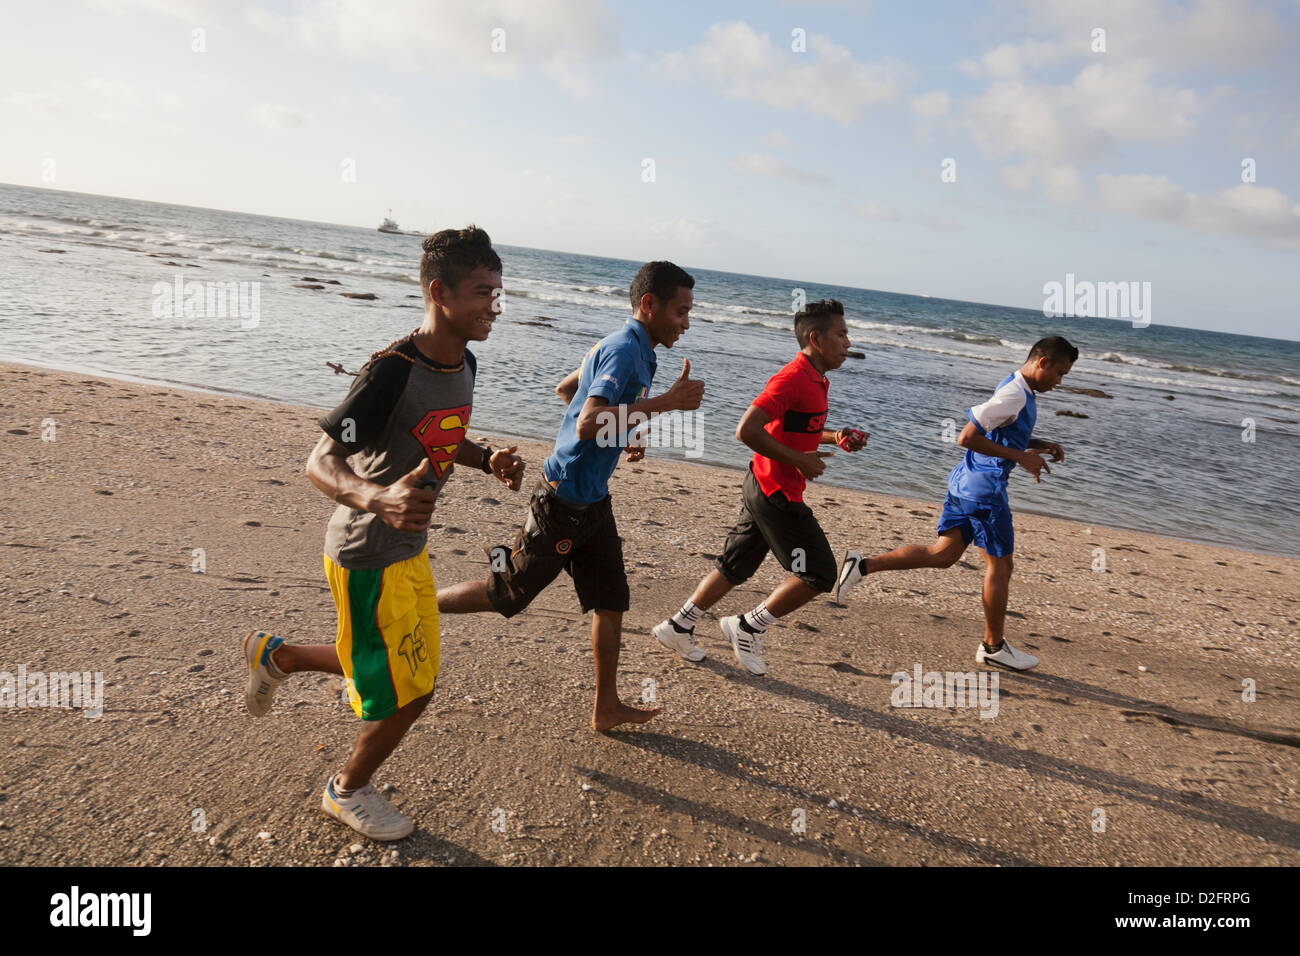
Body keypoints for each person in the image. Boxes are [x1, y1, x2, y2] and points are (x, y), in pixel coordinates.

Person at [241, 226, 525, 841]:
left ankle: (279, 656)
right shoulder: (390, 372)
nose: (492, 307)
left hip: (408, 551)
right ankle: (345, 791)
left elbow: (437, 432)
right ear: (438, 292)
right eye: (481, 293)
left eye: (498, 293)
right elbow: (319, 462)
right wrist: (380, 499)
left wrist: (485, 459)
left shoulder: (465, 362)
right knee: (407, 693)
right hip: (366, 554)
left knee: (389, 667)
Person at [436, 261, 704, 731]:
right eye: (681, 311)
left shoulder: (630, 346)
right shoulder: (624, 350)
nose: (686, 323)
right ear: (649, 304)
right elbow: (586, 422)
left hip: (593, 501)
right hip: (563, 504)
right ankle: (416, 605)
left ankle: (606, 707)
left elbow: (569, 392)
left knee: (611, 599)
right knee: (509, 594)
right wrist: (662, 405)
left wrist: (624, 430)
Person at [835, 335, 1079, 671]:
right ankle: (993, 646)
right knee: (1000, 567)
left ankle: (861, 565)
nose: (1060, 381)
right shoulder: (1014, 394)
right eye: (1060, 372)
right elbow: (967, 436)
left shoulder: (1017, 387)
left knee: (943, 555)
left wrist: (1040, 444)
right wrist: (1021, 458)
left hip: (964, 485)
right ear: (1043, 362)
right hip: (985, 494)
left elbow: (998, 432)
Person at [653, 299, 867, 676]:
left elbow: (794, 431)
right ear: (816, 338)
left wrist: (836, 437)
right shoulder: (793, 378)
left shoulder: (816, 379)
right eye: (842, 334)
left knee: (735, 566)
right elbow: (746, 429)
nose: (848, 342)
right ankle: (749, 626)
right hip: (776, 494)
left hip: (762, 485)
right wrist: (800, 461)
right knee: (818, 573)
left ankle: (678, 626)